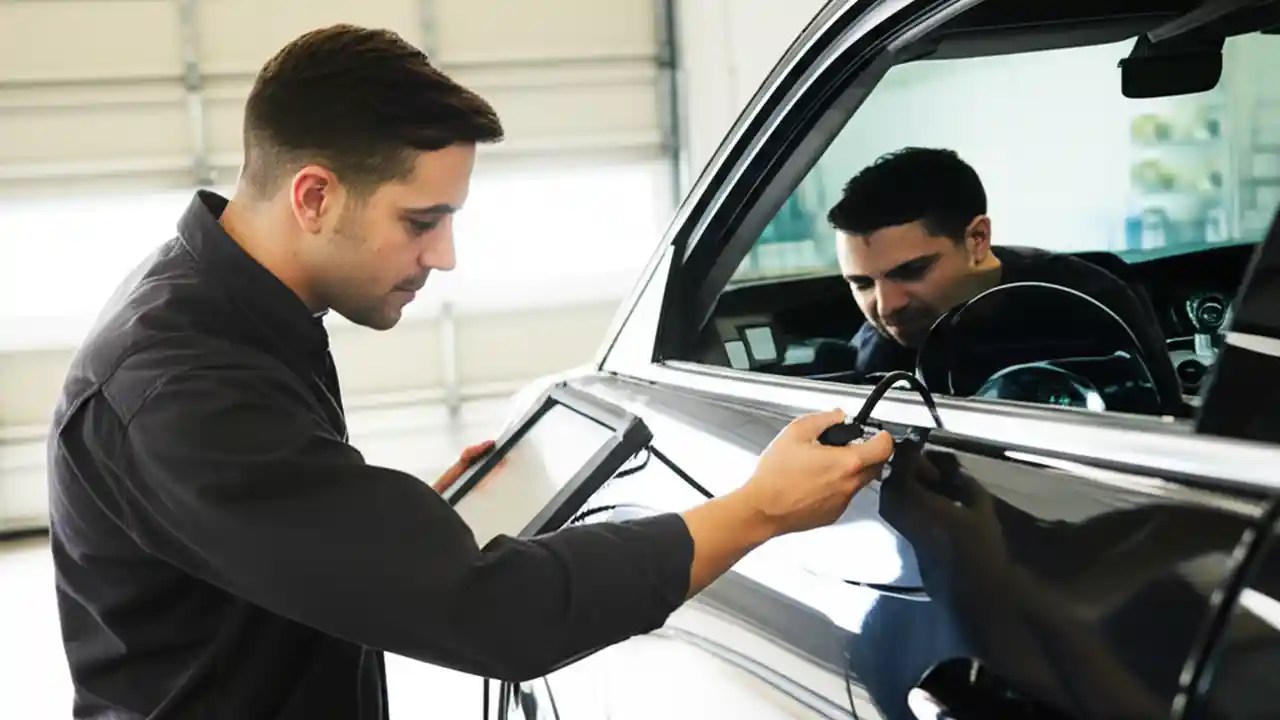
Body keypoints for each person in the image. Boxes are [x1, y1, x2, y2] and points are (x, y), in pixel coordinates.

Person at [46, 24, 894, 720]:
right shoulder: (178, 386)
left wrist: (368, 522)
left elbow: (256, 525)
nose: (443, 257)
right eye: (422, 220)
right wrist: (758, 510)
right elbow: (497, 616)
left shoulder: (226, 307)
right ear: (313, 196)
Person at [829, 147, 1179, 407]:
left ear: (977, 239)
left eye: (912, 271)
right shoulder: (876, 348)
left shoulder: (1090, 303)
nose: (887, 307)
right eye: (861, 283)